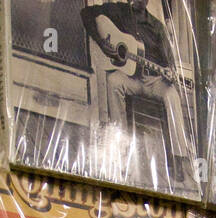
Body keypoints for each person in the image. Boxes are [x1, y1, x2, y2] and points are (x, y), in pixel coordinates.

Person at [80, 0, 193, 182]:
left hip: (154, 80)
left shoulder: (157, 27)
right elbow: (86, 14)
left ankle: (177, 158)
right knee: (113, 80)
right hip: (131, 77)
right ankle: (120, 145)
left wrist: (169, 72)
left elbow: (169, 62)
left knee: (172, 95)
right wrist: (102, 43)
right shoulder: (118, 10)